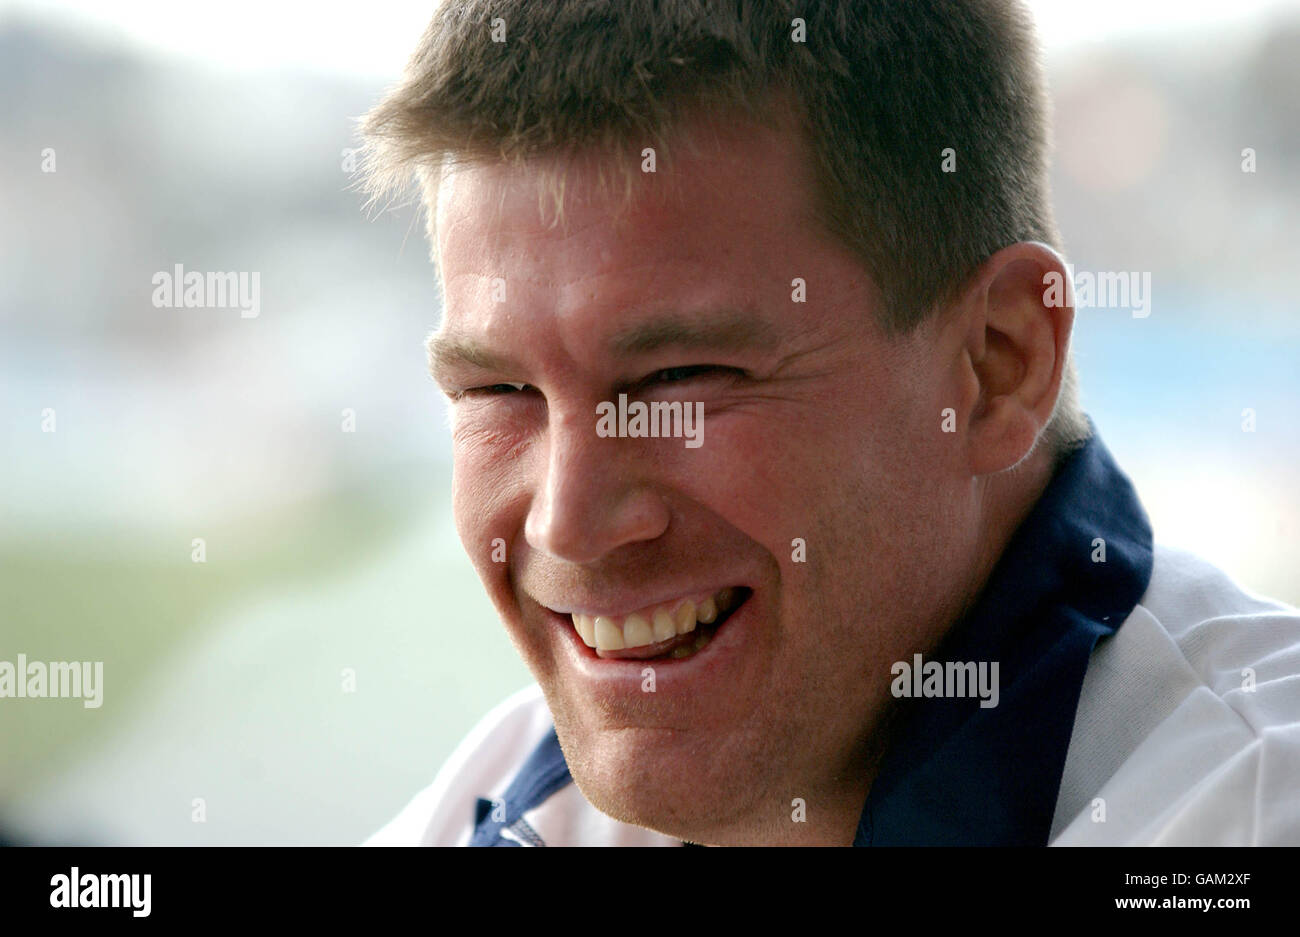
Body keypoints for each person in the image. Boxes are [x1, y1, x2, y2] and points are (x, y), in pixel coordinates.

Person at [358, 0, 1300, 846]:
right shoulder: (505, 803)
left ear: (997, 366)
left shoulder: (1248, 813)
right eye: (497, 393)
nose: (567, 522)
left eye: (679, 377)